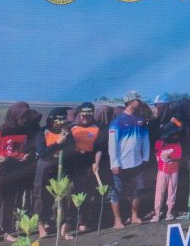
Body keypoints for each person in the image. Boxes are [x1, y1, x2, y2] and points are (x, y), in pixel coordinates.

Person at [0, 102, 37, 244]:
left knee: (11, 200)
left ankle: (6, 231)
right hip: (1, 168)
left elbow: (24, 146)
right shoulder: (1, 130)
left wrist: (24, 155)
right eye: (22, 118)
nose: (24, 121)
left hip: (15, 167)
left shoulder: (24, 130)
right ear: (15, 116)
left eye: (25, 118)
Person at [107, 95, 152, 229]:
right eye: (138, 100)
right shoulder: (117, 122)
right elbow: (112, 144)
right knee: (117, 192)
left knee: (137, 190)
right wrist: (114, 163)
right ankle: (117, 220)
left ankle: (134, 215)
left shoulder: (140, 121)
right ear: (131, 102)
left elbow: (145, 140)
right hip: (121, 165)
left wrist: (146, 158)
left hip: (137, 163)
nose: (140, 102)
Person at [65, 104, 104, 234]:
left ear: (92, 114)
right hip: (73, 164)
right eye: (83, 115)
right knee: (71, 193)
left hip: (89, 163)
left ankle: (83, 221)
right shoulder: (72, 128)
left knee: (87, 193)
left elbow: (99, 148)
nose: (85, 117)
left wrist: (96, 163)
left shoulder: (97, 128)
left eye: (88, 115)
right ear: (80, 114)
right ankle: (69, 221)